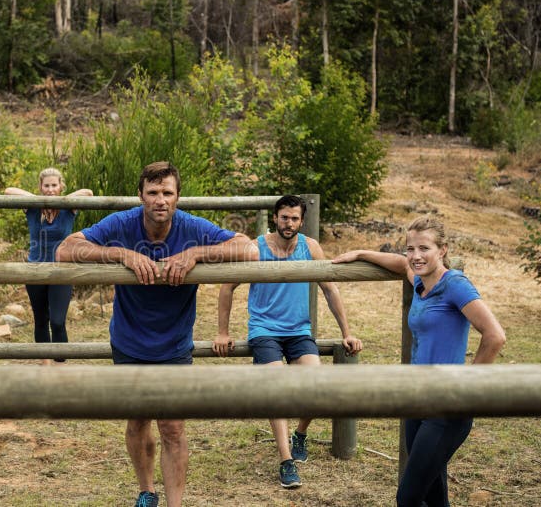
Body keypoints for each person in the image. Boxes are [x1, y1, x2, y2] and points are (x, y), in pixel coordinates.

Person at [55, 161, 257, 507]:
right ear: (140, 196)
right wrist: (123, 255)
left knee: (173, 427)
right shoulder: (122, 224)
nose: (160, 200)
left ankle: (175, 504)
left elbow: (249, 249)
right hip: (130, 340)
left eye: (167, 192)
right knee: (137, 420)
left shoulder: (192, 228)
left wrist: (196, 254)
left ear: (178, 197)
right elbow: (65, 250)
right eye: (152, 193)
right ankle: (146, 492)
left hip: (174, 343)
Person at [332, 215, 506, 507]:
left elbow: (495, 336)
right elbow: (401, 265)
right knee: (432, 494)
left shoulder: (455, 285)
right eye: (410, 248)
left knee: (408, 497)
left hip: (448, 404)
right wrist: (361, 253)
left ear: (443, 250)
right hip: (417, 398)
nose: (415, 256)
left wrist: (469, 387)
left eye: (424, 248)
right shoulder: (420, 282)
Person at [213, 194, 363, 489]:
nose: (289, 223)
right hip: (264, 330)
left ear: (301, 221)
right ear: (275, 218)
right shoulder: (256, 248)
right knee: (277, 386)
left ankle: (300, 435)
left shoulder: (310, 247)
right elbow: (227, 287)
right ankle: (286, 461)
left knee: (315, 386)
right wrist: (222, 332)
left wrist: (346, 331)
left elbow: (330, 289)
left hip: (298, 330)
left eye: (295, 219)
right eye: (284, 218)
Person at [5, 168, 93, 366]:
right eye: (47, 186)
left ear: (61, 186)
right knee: (41, 318)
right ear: (40, 187)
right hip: (34, 270)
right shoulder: (32, 208)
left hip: (62, 271)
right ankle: (45, 365)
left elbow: (88, 193)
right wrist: (40, 201)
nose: (51, 189)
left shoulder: (69, 208)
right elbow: (9, 191)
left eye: (55, 185)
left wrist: (59, 202)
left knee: (58, 321)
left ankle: (60, 366)